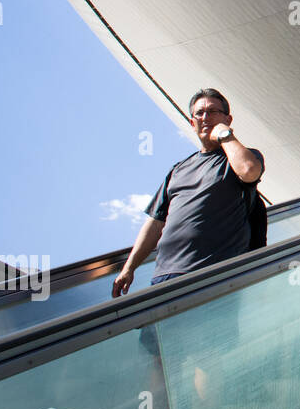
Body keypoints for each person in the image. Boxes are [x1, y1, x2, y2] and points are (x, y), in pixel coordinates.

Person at [113, 88, 265, 296]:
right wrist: (129, 268)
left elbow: (249, 171)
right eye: (199, 113)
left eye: (213, 111)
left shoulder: (240, 157)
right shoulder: (178, 169)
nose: (205, 117)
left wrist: (224, 135)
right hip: (164, 277)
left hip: (216, 275)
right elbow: (156, 223)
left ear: (227, 119)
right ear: (192, 123)